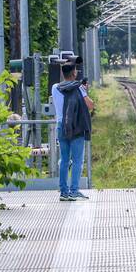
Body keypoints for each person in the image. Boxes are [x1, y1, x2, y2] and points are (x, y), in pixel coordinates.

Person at [51, 64, 94, 202]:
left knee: (64, 159)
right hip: (76, 127)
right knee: (77, 161)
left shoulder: (55, 87)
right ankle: (74, 191)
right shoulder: (79, 88)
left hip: (61, 126)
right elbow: (90, 105)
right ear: (74, 73)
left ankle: (64, 192)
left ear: (63, 73)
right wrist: (85, 91)